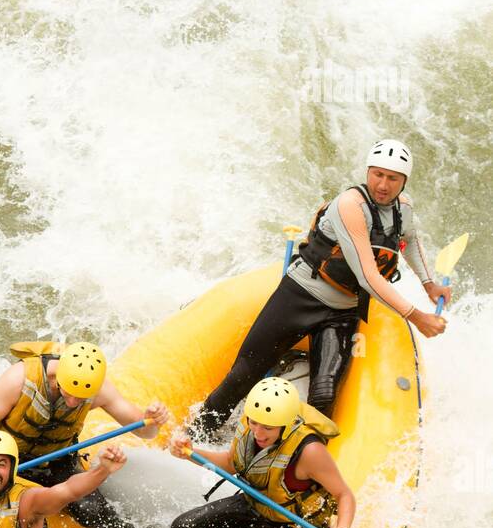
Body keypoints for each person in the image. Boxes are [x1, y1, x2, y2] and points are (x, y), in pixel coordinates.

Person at [191, 138, 451, 438]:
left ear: (404, 182)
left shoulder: (403, 209)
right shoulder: (349, 206)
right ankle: (197, 434)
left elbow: (411, 242)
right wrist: (416, 316)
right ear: (368, 173)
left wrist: (430, 284)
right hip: (300, 297)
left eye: (392, 178)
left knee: (325, 394)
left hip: (343, 311)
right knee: (243, 374)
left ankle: (296, 464)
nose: (383, 184)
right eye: (377, 174)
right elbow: (368, 276)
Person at [0, 340, 170, 528]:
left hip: (59, 459)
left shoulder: (99, 389)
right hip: (12, 462)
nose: (74, 402)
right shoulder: (18, 379)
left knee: (92, 510)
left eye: (81, 397)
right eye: (69, 392)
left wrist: (152, 421)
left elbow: (144, 431)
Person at [169, 378, 356, 528]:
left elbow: (344, 495)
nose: (258, 433)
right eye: (254, 423)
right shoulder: (250, 427)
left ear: (285, 426)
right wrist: (191, 453)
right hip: (257, 506)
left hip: (296, 527)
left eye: (268, 428)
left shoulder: (310, 452)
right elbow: (230, 462)